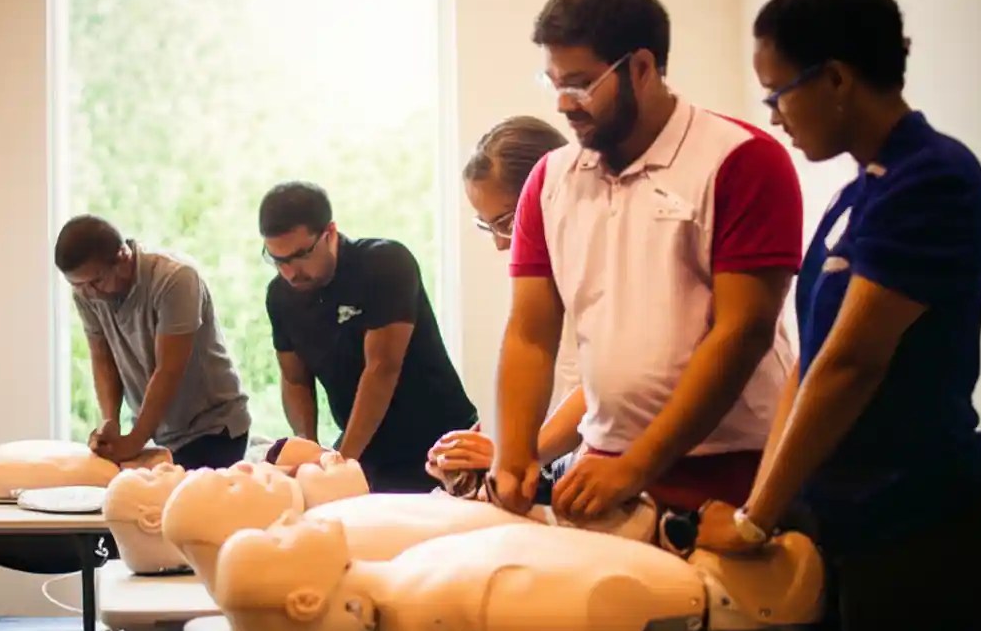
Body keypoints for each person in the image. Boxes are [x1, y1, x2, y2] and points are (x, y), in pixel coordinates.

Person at [696, 0, 981, 631]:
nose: (774, 116)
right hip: (846, 521)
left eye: (778, 94)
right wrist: (771, 501)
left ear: (836, 80)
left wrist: (755, 515)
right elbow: (812, 362)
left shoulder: (932, 179)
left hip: (919, 530)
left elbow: (851, 365)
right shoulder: (856, 197)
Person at [489, 0, 805, 523]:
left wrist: (637, 465)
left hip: (733, 466)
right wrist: (515, 453)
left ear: (642, 67)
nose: (564, 104)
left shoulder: (741, 160)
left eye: (581, 83)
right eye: (553, 83)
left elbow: (742, 332)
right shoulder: (551, 178)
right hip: (603, 462)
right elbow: (531, 332)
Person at [261, 181, 478, 492]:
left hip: (439, 442)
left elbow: (382, 368)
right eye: (277, 260)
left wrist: (340, 464)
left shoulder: (384, 263)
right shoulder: (280, 296)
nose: (291, 272)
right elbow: (295, 380)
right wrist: (307, 450)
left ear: (330, 233)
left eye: (301, 255)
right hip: (369, 451)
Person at [426, 116, 586, 481]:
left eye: (506, 222)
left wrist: (512, 455)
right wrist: (486, 444)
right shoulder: (545, 281)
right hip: (559, 463)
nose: (501, 242)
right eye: (487, 226)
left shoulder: (598, 268)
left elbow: (600, 392)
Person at [55, 215, 252, 470]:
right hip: (161, 432)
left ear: (123, 258)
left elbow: (169, 370)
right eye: (77, 285)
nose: (88, 293)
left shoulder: (175, 279)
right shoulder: (87, 292)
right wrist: (110, 422)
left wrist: (135, 440)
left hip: (214, 428)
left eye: (95, 282)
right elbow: (103, 358)